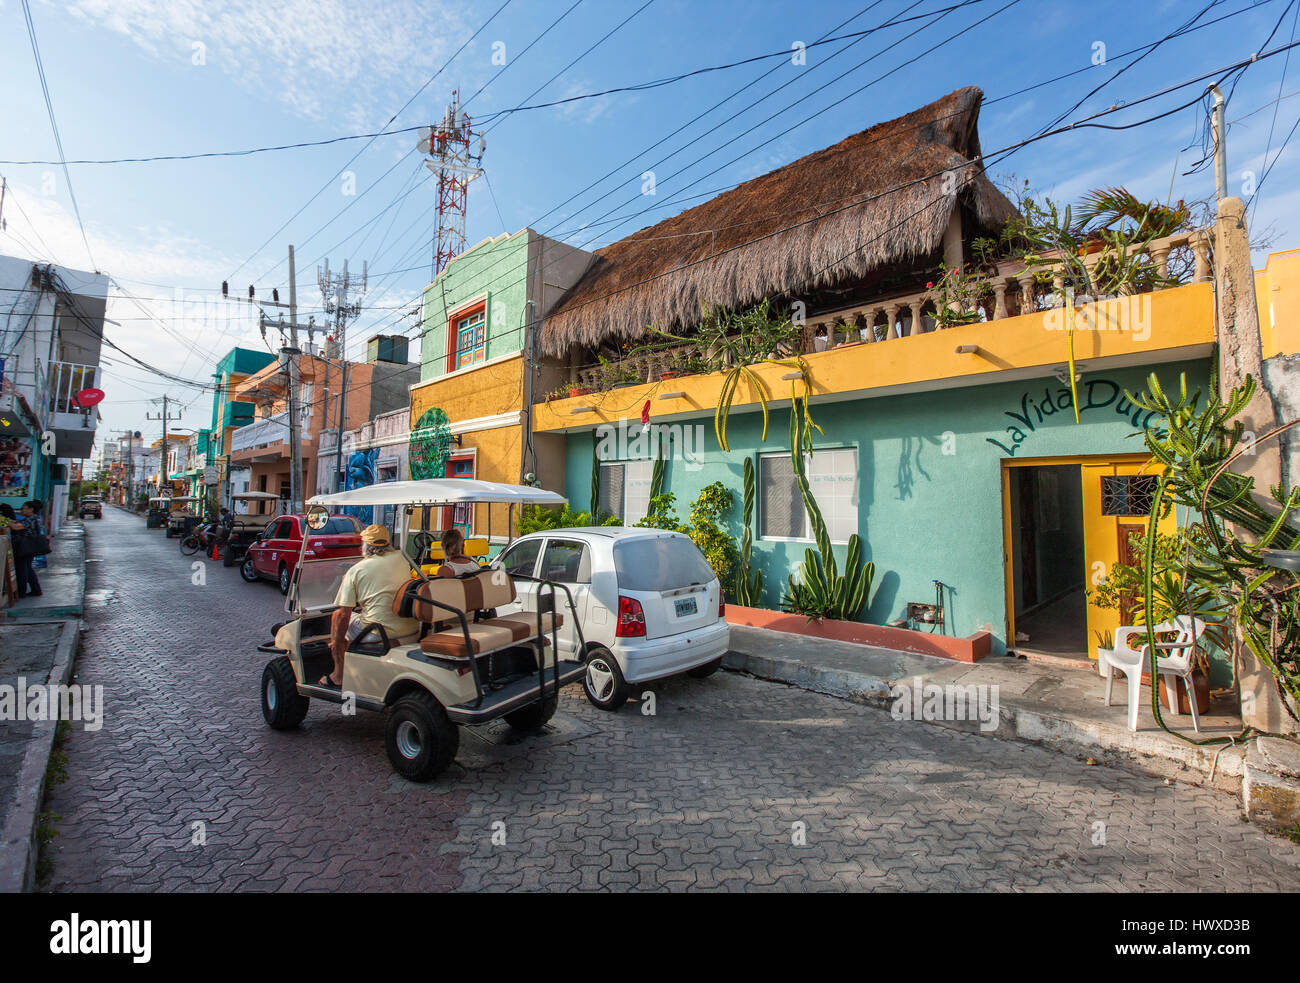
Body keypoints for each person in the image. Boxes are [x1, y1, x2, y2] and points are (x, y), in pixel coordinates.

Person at [323, 524, 419, 687]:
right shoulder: (402, 559)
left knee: (337, 618)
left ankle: (339, 673)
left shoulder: (356, 570)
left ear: (366, 546)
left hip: (378, 631)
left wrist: (335, 642)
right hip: (410, 625)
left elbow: (344, 614)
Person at [11, 500, 44, 598]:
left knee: (22, 569)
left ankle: (21, 591)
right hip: (30, 547)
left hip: (25, 547)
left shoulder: (31, 519)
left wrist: (3, 520)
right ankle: (35, 589)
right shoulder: (33, 518)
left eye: (23, 508)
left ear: (31, 509)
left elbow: (16, 527)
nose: (21, 510)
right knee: (28, 568)